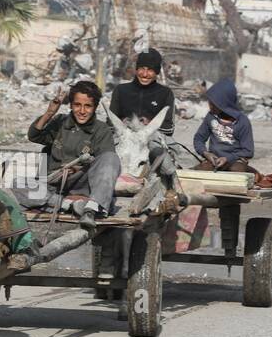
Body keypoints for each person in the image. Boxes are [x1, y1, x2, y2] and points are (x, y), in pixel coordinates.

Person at [21, 80, 121, 231]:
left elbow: (105, 166)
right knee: (16, 183)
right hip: (53, 183)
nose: (82, 111)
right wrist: (50, 112)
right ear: (71, 105)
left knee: (111, 158)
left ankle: (90, 209)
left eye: (87, 106)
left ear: (95, 107)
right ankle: (68, 205)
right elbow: (34, 136)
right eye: (77, 105)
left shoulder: (102, 130)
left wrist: (81, 167)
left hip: (81, 184)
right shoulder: (60, 122)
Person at [193, 80, 255, 258]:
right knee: (190, 177)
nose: (209, 105)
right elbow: (198, 139)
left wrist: (227, 158)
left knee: (235, 180)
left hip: (235, 162)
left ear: (224, 103)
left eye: (213, 102)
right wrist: (206, 154)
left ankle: (230, 243)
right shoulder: (210, 118)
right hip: (213, 161)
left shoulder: (242, 122)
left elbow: (248, 151)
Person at [108, 48, 176, 136]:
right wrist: (123, 123)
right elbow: (109, 124)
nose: (145, 74)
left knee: (173, 149)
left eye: (150, 70)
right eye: (142, 68)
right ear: (136, 69)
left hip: (153, 140)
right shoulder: (120, 90)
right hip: (123, 138)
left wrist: (150, 124)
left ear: (157, 72)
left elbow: (169, 129)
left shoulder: (165, 93)